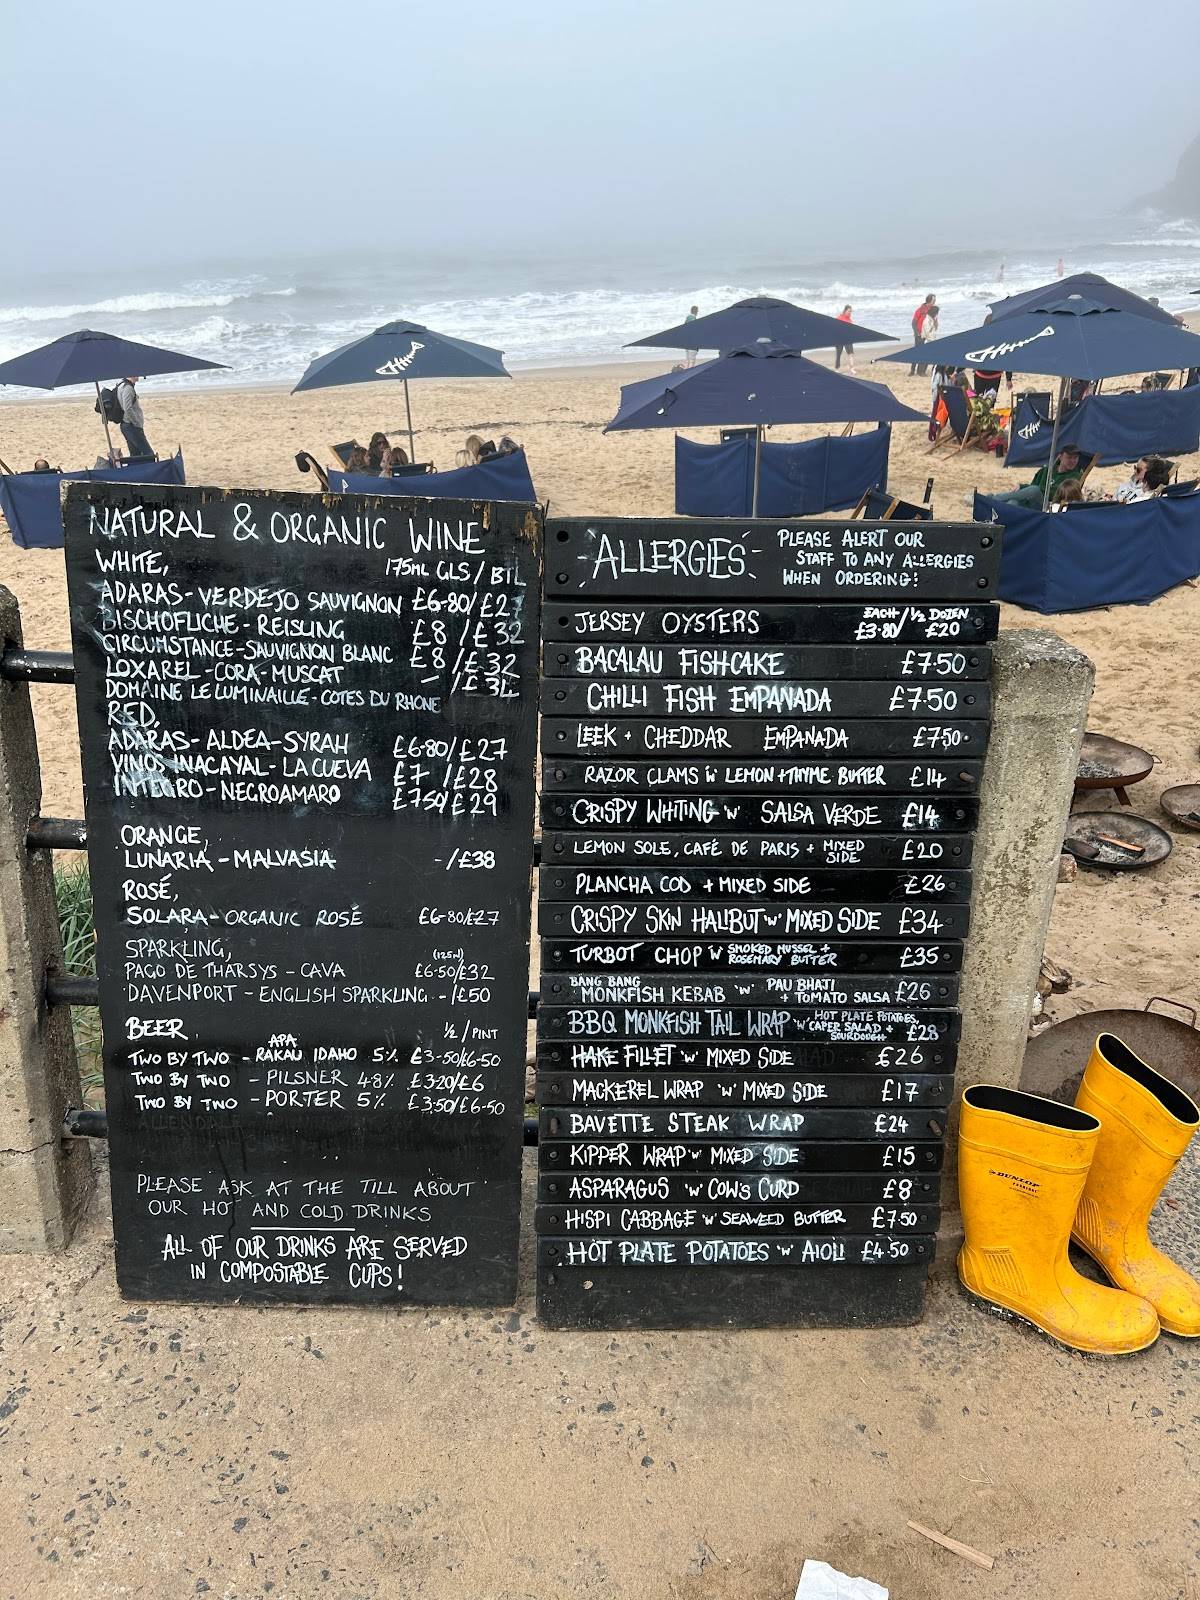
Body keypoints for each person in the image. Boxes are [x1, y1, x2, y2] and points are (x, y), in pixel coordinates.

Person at [990, 444, 1087, 508]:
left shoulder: (1075, 476)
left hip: (1049, 507)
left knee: (1035, 490)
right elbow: (1032, 488)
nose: (1073, 461)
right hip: (1033, 504)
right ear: (1060, 457)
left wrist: (1024, 487)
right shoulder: (1046, 470)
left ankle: (993, 498)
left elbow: (1055, 492)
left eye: (1076, 458)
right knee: (1013, 502)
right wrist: (1025, 490)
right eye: (1069, 457)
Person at [116, 377, 152, 460]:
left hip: (128, 425)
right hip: (131, 426)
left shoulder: (122, 384)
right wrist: (136, 423)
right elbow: (127, 408)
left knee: (135, 455)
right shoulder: (127, 388)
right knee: (149, 455)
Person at [909, 294, 937, 376]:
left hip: (929, 336)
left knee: (927, 353)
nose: (934, 302)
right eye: (933, 300)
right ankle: (912, 370)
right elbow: (913, 323)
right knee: (917, 353)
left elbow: (934, 325)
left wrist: (935, 323)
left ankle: (921, 371)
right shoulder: (920, 310)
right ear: (929, 301)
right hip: (919, 335)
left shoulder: (933, 311)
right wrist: (916, 333)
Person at [834, 304, 856, 374]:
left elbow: (851, 331)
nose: (850, 313)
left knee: (851, 354)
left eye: (851, 311)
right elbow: (834, 328)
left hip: (848, 339)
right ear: (845, 311)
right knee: (838, 354)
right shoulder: (839, 318)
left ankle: (852, 369)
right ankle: (837, 369)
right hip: (839, 339)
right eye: (849, 311)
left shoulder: (850, 320)